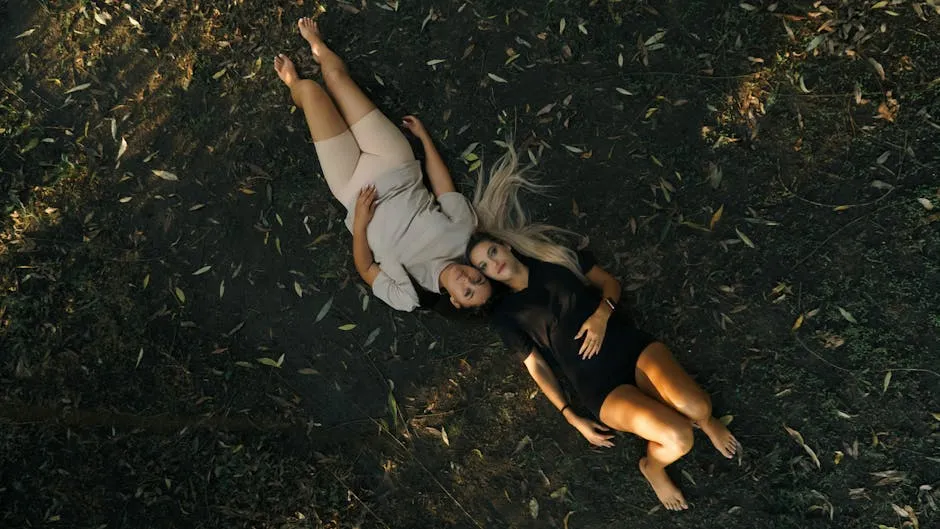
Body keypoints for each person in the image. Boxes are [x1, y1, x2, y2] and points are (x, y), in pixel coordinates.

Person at [464, 148, 739, 512]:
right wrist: (571, 416)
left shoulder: (551, 256)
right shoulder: (507, 314)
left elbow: (609, 283)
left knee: (698, 407)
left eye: (492, 253)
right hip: (601, 389)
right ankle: (652, 467)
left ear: (504, 245)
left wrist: (601, 315)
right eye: (484, 265)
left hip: (632, 349)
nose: (493, 264)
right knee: (678, 437)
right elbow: (537, 368)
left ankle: (708, 420)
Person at [274, 17, 491, 311]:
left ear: (455, 301)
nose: (467, 280)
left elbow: (366, 268)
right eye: (477, 280)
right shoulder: (464, 234)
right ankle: (318, 46)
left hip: (352, 187)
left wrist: (361, 223)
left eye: (467, 292)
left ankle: (293, 83)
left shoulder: (411, 297)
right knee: (336, 79)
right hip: (394, 162)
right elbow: (443, 189)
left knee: (312, 91)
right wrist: (424, 139)